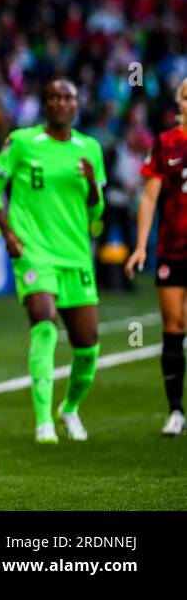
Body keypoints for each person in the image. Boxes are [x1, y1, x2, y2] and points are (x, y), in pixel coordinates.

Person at [0, 78, 105, 444]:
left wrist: (94, 186)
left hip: (75, 255)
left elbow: (96, 214)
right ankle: (42, 423)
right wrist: (8, 232)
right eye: (54, 97)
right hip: (33, 250)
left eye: (68, 97)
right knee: (44, 321)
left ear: (77, 104)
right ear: (45, 103)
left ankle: (68, 408)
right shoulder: (21, 142)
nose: (61, 103)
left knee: (88, 345)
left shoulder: (91, 149)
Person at [124, 78, 187, 435]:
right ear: (181, 102)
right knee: (174, 326)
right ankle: (176, 411)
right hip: (173, 248)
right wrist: (140, 246)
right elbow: (149, 198)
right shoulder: (166, 143)